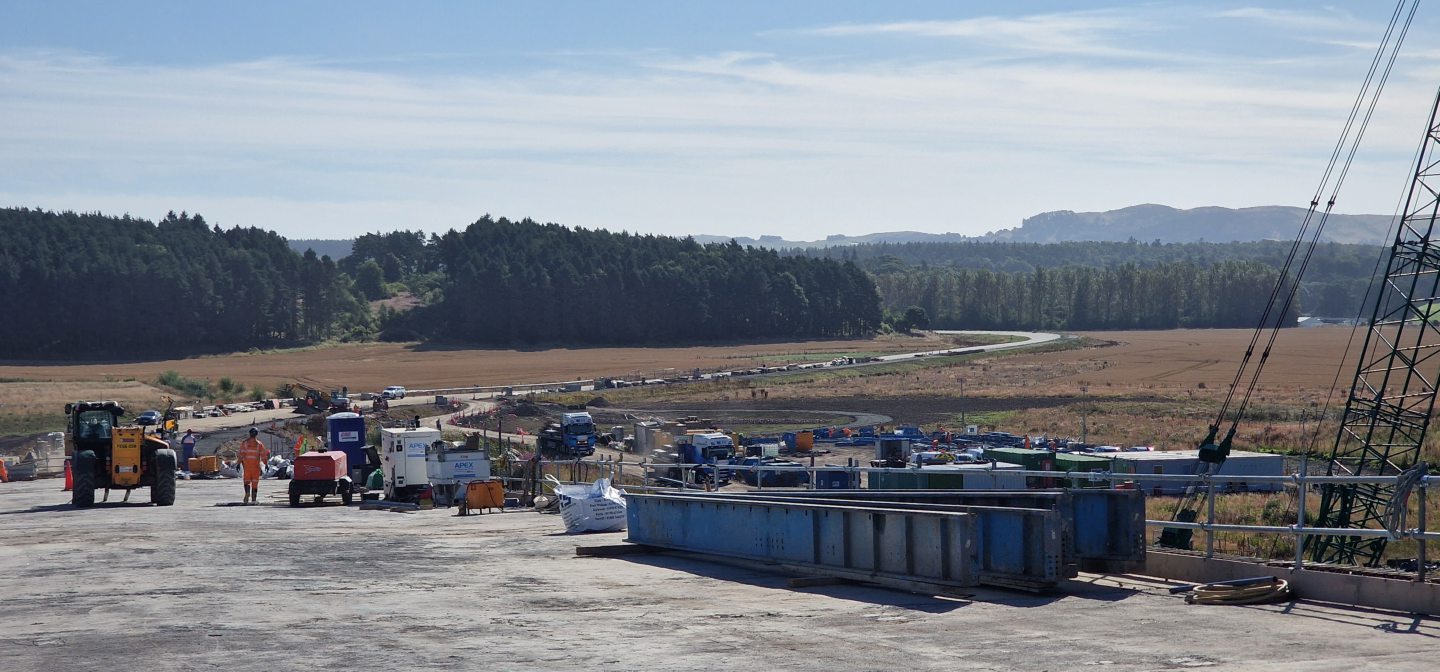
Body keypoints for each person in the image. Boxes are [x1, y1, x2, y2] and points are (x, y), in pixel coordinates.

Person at [237, 428, 270, 504]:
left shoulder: (245, 443)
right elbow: (263, 455)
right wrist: (266, 464)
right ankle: (254, 500)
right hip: (256, 467)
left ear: (250, 433)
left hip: (247, 466)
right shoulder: (259, 444)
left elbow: (241, 454)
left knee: (247, 481)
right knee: (255, 483)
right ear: (256, 434)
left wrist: (238, 463)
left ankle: (247, 493)